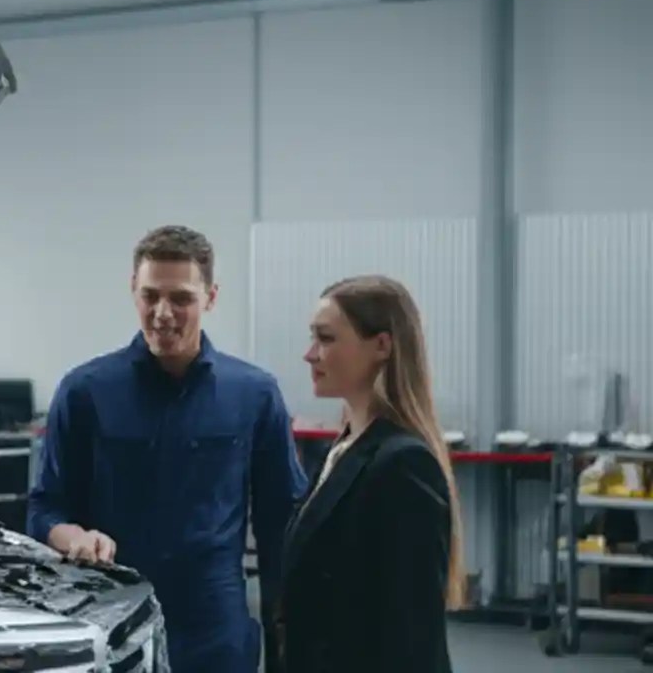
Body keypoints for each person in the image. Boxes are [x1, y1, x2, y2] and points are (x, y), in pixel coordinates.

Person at [27, 224, 309, 672]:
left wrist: (288, 643)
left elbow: (282, 526)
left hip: (215, 633)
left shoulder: (254, 394)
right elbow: (45, 509)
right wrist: (75, 537)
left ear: (211, 298)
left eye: (181, 298)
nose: (163, 313)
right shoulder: (84, 391)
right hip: (109, 623)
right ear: (132, 291)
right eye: (150, 295)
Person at [277, 274, 464, 673]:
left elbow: (411, 638)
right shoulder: (345, 448)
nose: (310, 354)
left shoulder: (402, 465)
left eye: (326, 339)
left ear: (382, 345)